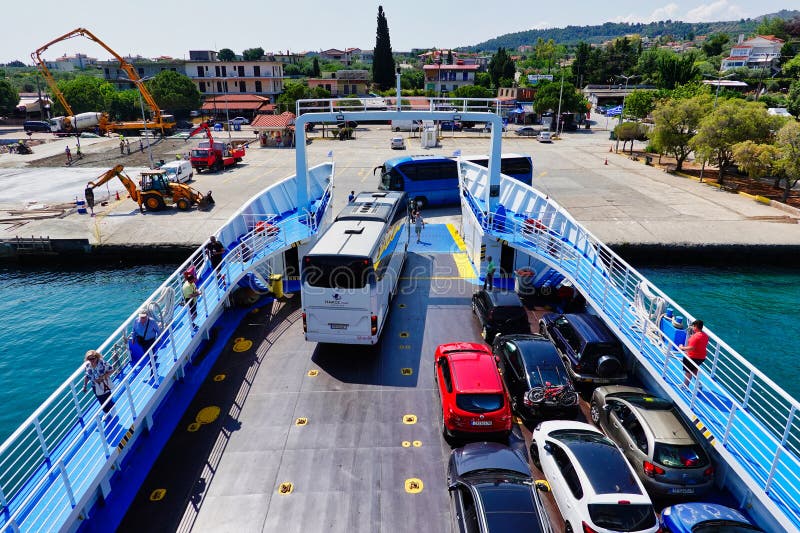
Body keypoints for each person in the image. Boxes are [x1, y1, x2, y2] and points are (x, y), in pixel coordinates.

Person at [680, 319, 709, 387]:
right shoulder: (705, 336)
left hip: (692, 357)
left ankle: (685, 385)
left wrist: (682, 348)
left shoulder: (695, 337)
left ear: (695, 326)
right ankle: (699, 384)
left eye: (693, 326)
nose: (692, 328)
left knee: (688, 371)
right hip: (701, 358)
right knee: (694, 369)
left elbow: (691, 348)